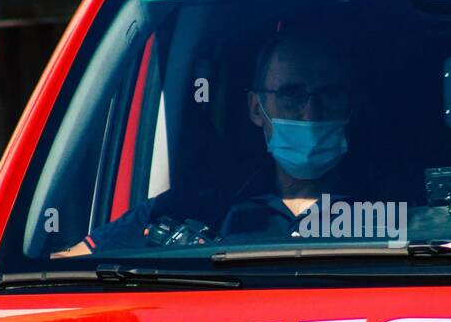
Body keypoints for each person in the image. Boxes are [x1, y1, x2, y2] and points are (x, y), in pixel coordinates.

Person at [51, 27, 356, 256]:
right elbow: (69, 267)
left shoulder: (392, 206)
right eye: (292, 94)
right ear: (255, 109)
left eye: (330, 94)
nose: (311, 113)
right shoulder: (197, 208)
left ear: (350, 104)